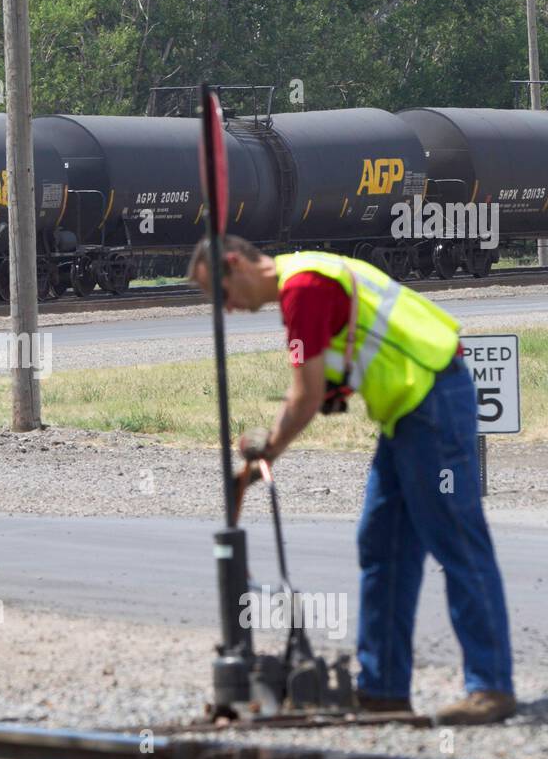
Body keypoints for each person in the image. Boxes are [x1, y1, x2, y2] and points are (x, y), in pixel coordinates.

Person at [188, 235, 515, 725]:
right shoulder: (306, 275)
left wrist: (268, 452)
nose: (227, 309)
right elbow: (327, 377)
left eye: (221, 294)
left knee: (458, 539)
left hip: (431, 399)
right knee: (383, 545)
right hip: (408, 411)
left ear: (235, 264)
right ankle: (384, 690)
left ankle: (490, 686)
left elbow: (306, 395)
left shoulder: (304, 290)